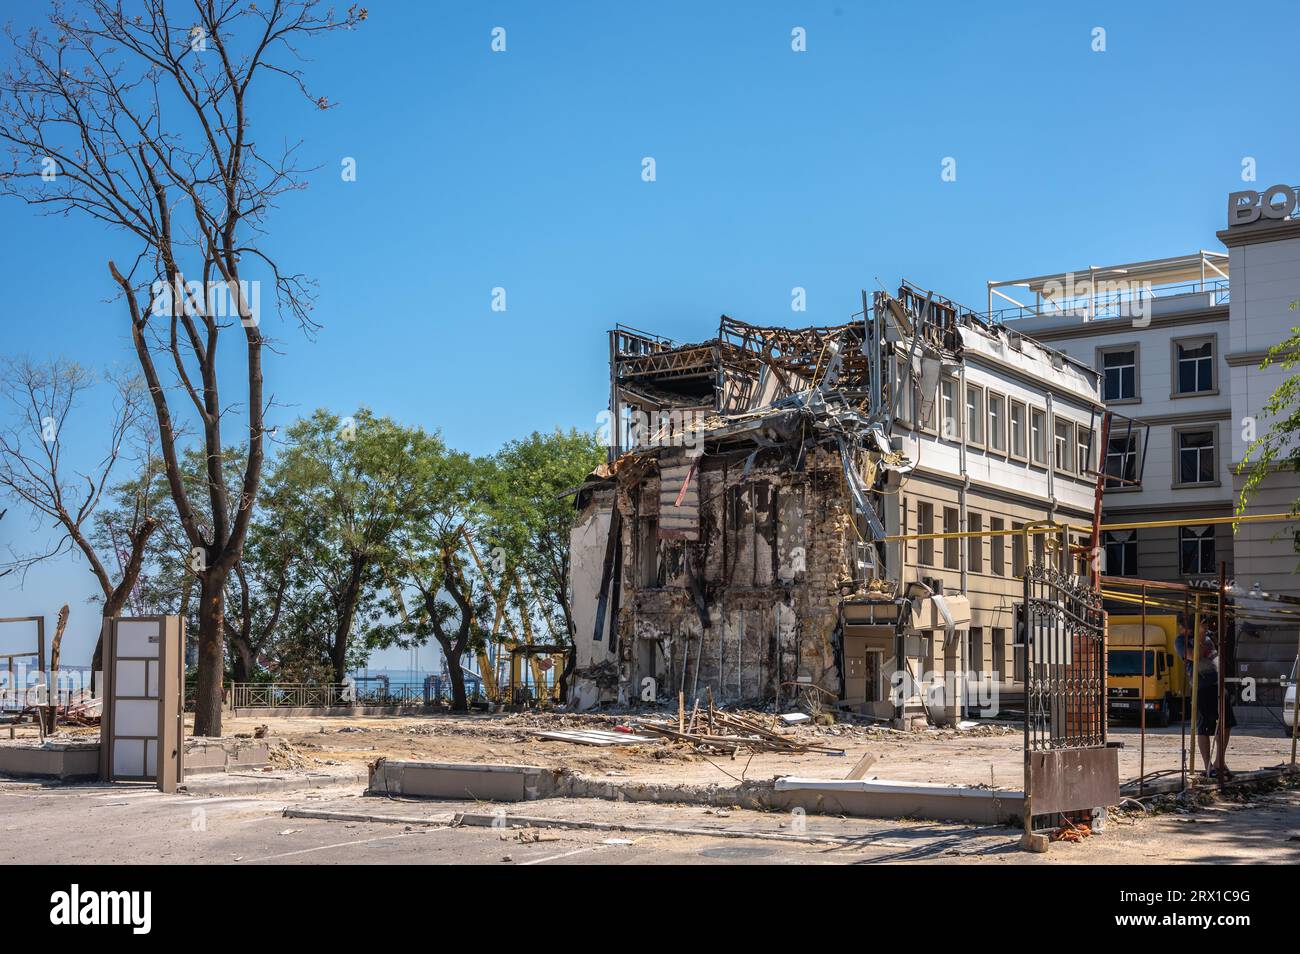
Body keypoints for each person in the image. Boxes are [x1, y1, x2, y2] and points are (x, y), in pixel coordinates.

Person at [1176, 619, 1236, 778]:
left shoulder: (1208, 636)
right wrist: (1201, 635)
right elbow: (1194, 656)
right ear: (1182, 627)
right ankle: (1208, 765)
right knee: (1204, 727)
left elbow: (1218, 646)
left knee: (1226, 723)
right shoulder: (1181, 641)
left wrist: (1221, 630)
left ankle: (1219, 761)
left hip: (1218, 684)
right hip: (1202, 686)